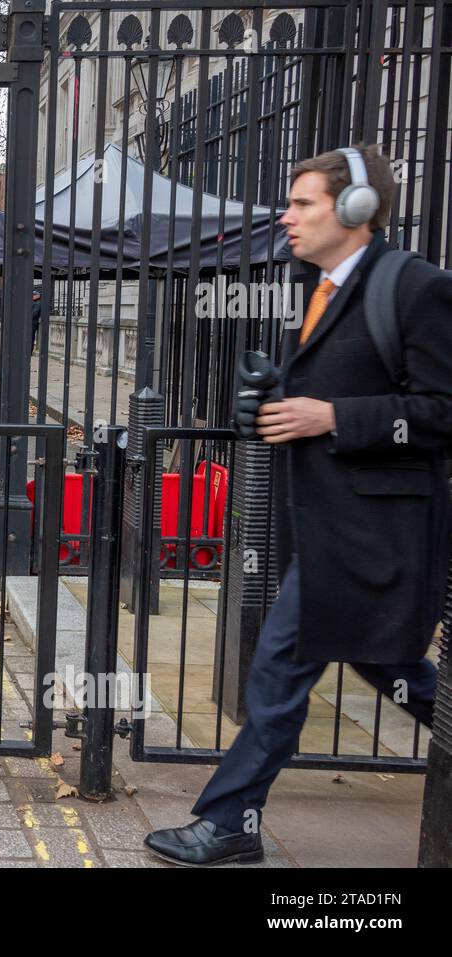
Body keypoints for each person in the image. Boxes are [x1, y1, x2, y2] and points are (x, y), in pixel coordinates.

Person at [144, 145, 452, 866]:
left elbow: (441, 410)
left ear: (357, 210)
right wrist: (267, 403)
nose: (287, 215)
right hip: (328, 528)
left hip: (377, 534)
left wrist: (333, 416)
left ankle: (230, 823)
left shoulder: (414, 287)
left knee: (279, 671)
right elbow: (311, 399)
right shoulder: (313, 285)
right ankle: (233, 822)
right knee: (393, 669)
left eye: (304, 202)